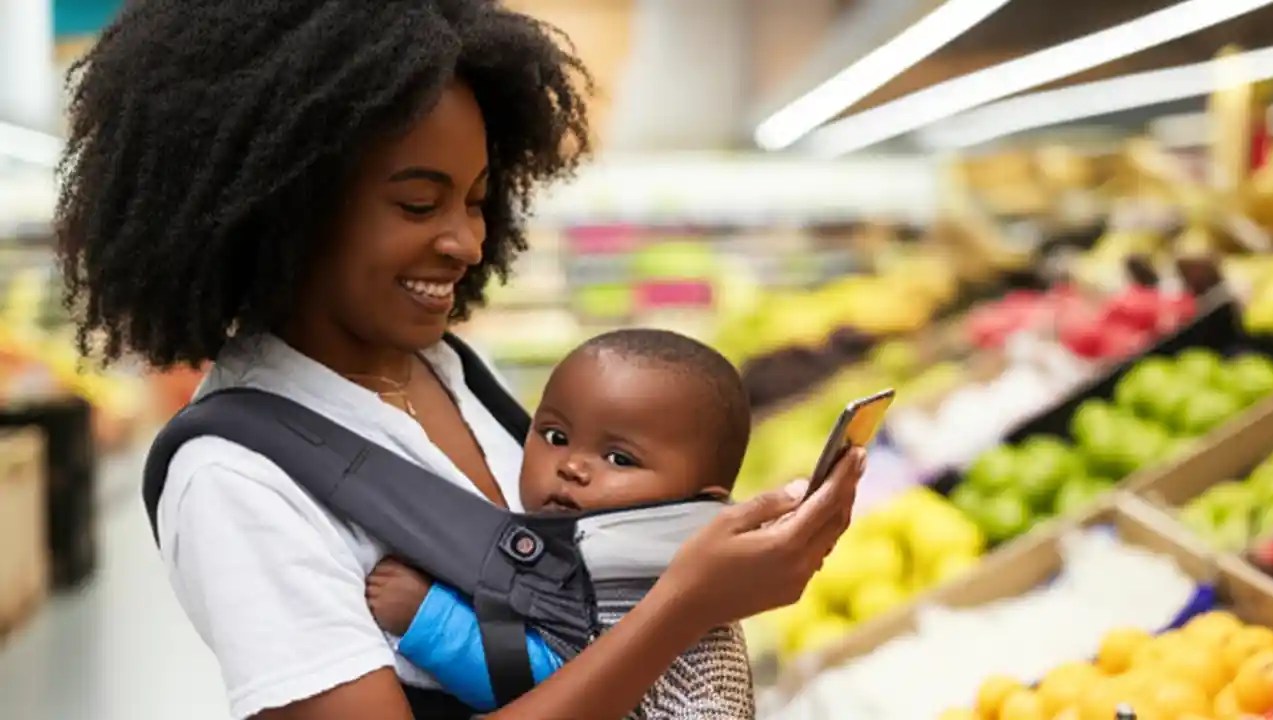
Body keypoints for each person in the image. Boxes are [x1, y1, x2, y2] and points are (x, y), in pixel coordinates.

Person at [55, 1, 865, 719]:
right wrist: (686, 607)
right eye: (418, 203)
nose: (468, 242)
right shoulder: (235, 478)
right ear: (285, 204)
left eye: (478, 200)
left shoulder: (448, 367)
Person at [366, 328, 755, 717]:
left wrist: (430, 618)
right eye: (555, 436)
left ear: (702, 500)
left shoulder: (640, 577)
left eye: (619, 459)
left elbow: (558, 684)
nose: (571, 466)